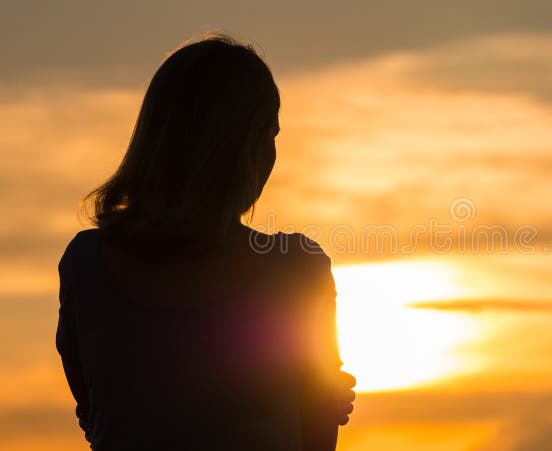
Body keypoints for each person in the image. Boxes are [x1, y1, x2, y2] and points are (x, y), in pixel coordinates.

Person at [55, 33, 355, 450]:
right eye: (271, 134)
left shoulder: (85, 266)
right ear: (247, 143)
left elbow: (97, 418)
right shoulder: (296, 271)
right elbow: (317, 438)